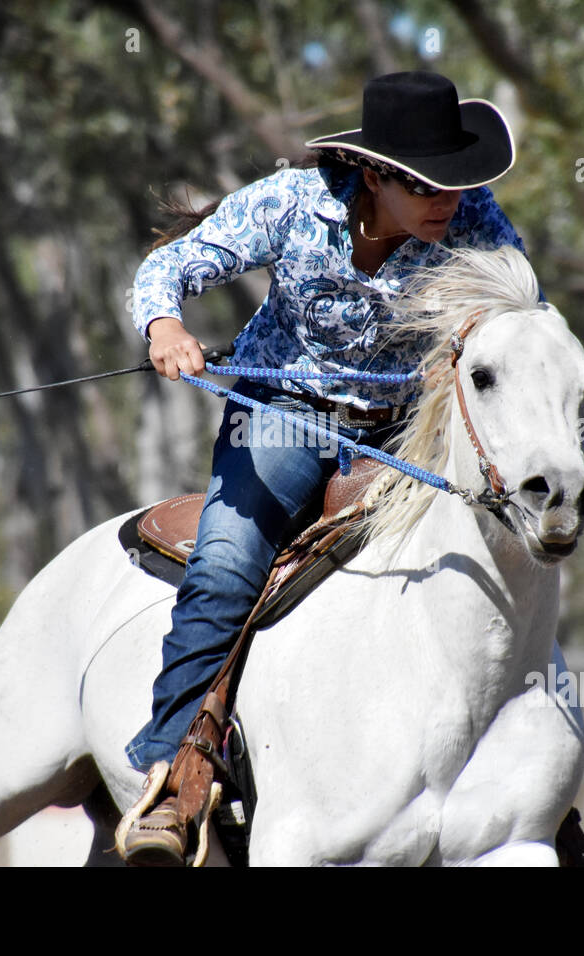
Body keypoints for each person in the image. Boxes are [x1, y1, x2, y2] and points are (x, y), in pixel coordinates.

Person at [119, 70, 532, 865]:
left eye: (457, 181)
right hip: (287, 415)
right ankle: (172, 777)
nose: (448, 201)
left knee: (497, 555)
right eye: (427, 186)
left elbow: (514, 311)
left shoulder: (473, 217)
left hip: (414, 425)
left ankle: (529, 781)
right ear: (374, 174)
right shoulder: (288, 202)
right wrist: (165, 325)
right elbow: (167, 269)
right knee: (227, 565)